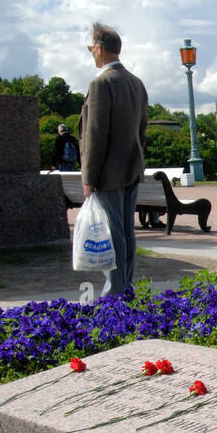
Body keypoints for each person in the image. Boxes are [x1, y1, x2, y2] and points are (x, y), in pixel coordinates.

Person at [79, 22, 147, 297]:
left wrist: (89, 178)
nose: (90, 53)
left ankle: (114, 294)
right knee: (126, 233)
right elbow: (142, 131)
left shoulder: (101, 84)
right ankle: (125, 287)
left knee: (113, 234)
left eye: (91, 48)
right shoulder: (136, 83)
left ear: (101, 49)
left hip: (107, 172)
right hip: (132, 168)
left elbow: (96, 133)